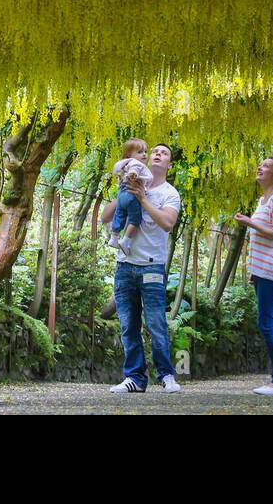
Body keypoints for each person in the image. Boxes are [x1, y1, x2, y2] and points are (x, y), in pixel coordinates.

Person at [100, 143, 182, 394]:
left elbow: (167, 223)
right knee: (128, 326)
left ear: (169, 165)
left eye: (163, 153)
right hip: (125, 267)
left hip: (151, 266)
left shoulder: (170, 194)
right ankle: (134, 377)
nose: (157, 154)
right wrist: (124, 191)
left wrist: (142, 199)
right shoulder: (132, 181)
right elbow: (105, 216)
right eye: (154, 151)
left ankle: (167, 375)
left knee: (156, 323)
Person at [234, 156, 273, 396]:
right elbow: (260, 242)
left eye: (266, 166)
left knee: (266, 324)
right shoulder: (262, 201)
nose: (259, 167)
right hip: (263, 271)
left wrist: (249, 223)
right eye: (259, 164)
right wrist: (254, 271)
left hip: (272, 270)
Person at [108, 138, 152, 253]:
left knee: (119, 215)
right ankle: (125, 240)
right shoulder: (136, 164)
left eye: (145, 152)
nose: (144, 155)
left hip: (121, 195)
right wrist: (133, 174)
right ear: (129, 155)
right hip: (132, 196)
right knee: (135, 220)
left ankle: (114, 237)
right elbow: (134, 170)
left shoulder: (123, 165)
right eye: (140, 152)